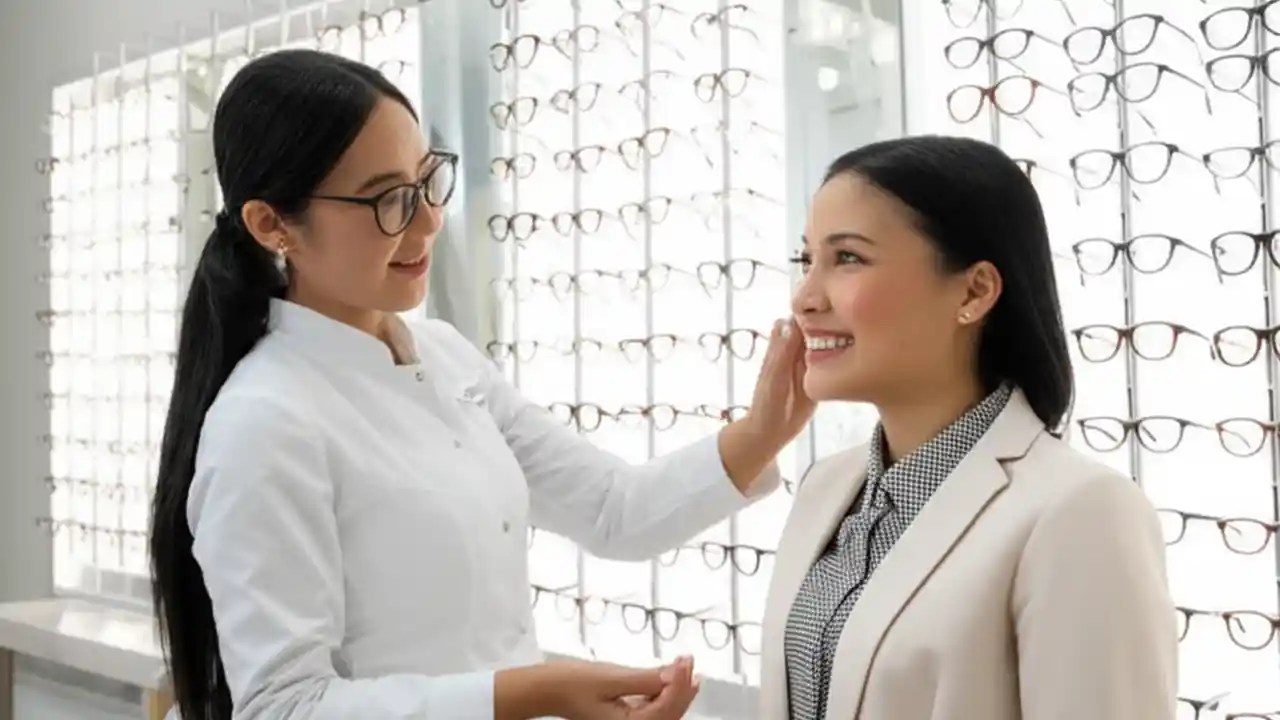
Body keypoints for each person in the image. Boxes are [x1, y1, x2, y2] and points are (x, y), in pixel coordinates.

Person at [148, 50, 814, 720]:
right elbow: (284, 708)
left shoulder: (441, 355)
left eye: (426, 181)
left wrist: (763, 432)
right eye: (388, 201)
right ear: (273, 225)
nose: (429, 221)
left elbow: (614, 510)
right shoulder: (265, 421)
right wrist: (533, 691)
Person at [758, 136, 1177, 719]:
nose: (804, 298)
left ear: (975, 290)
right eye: (807, 261)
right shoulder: (824, 489)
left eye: (847, 258)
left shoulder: (1082, 512)